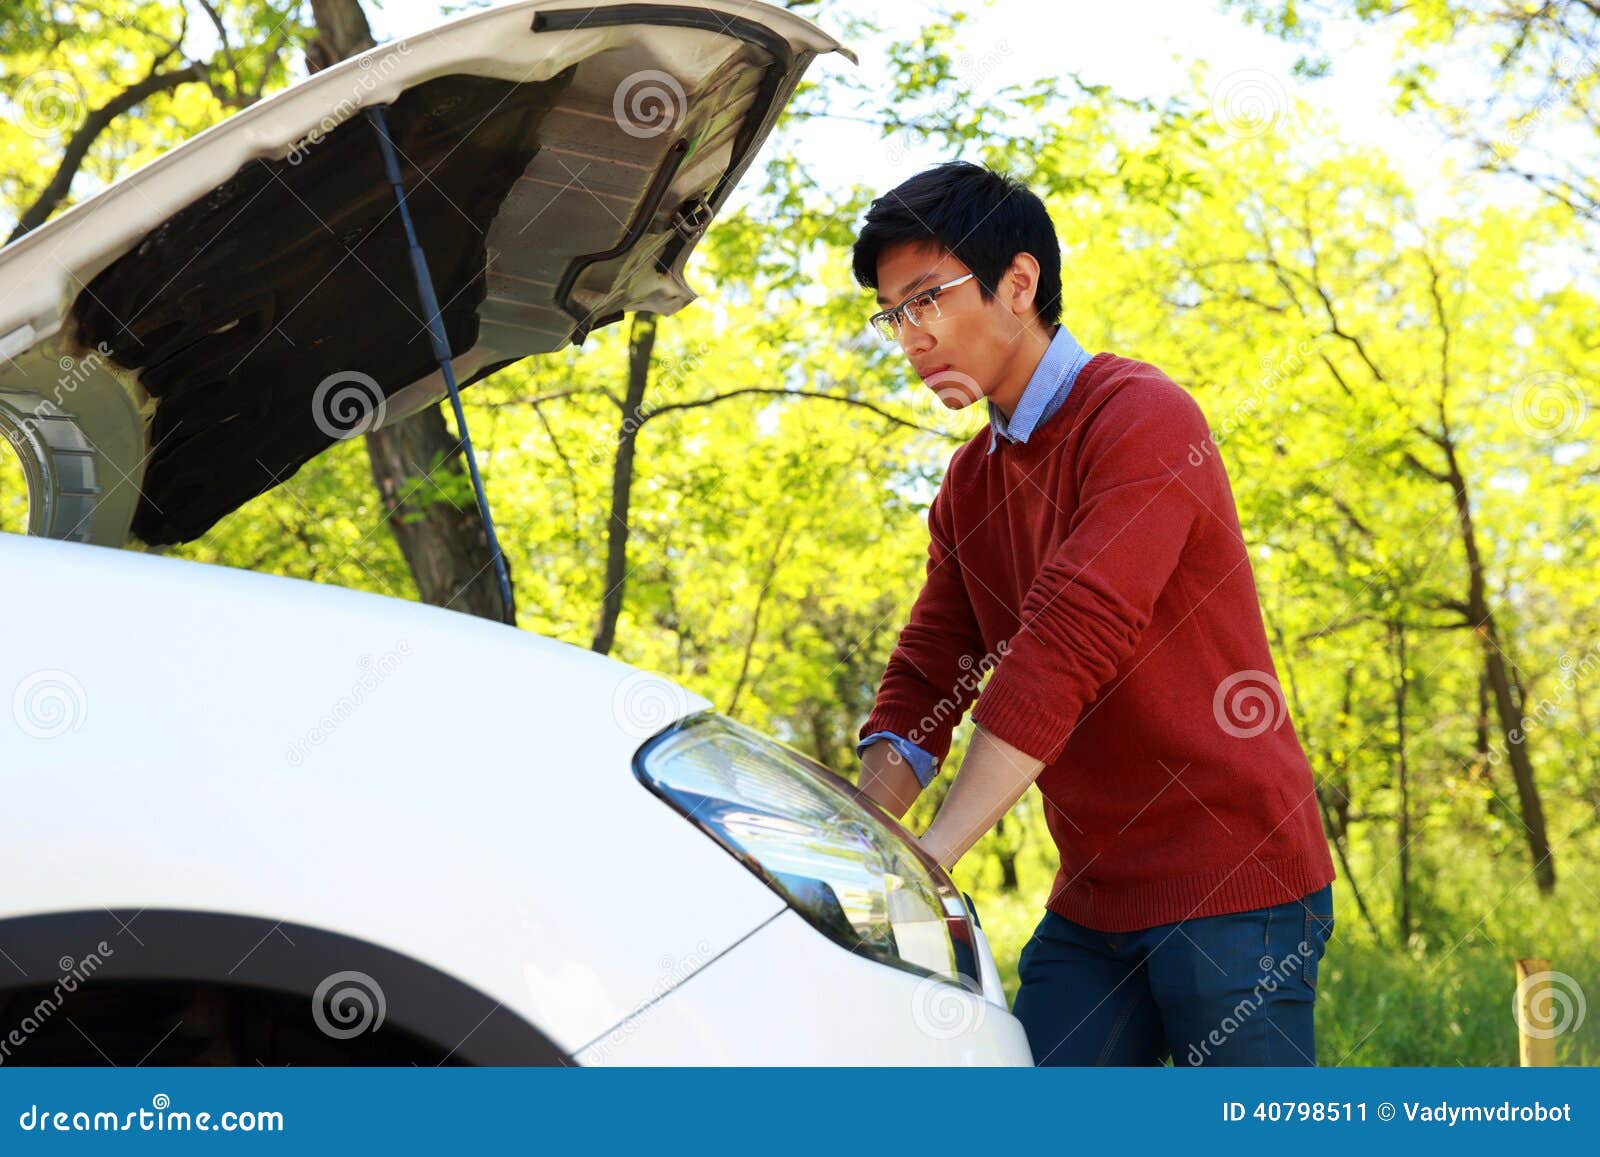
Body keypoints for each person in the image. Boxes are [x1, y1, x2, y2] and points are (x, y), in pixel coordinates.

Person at [850, 160, 1337, 1066]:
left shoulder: (1141, 418)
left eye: (926, 299)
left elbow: (1069, 641)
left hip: (1235, 883)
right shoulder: (969, 485)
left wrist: (935, 853)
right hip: (1094, 894)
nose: (907, 335)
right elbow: (929, 669)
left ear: (1020, 282)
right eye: (892, 313)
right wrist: (862, 839)